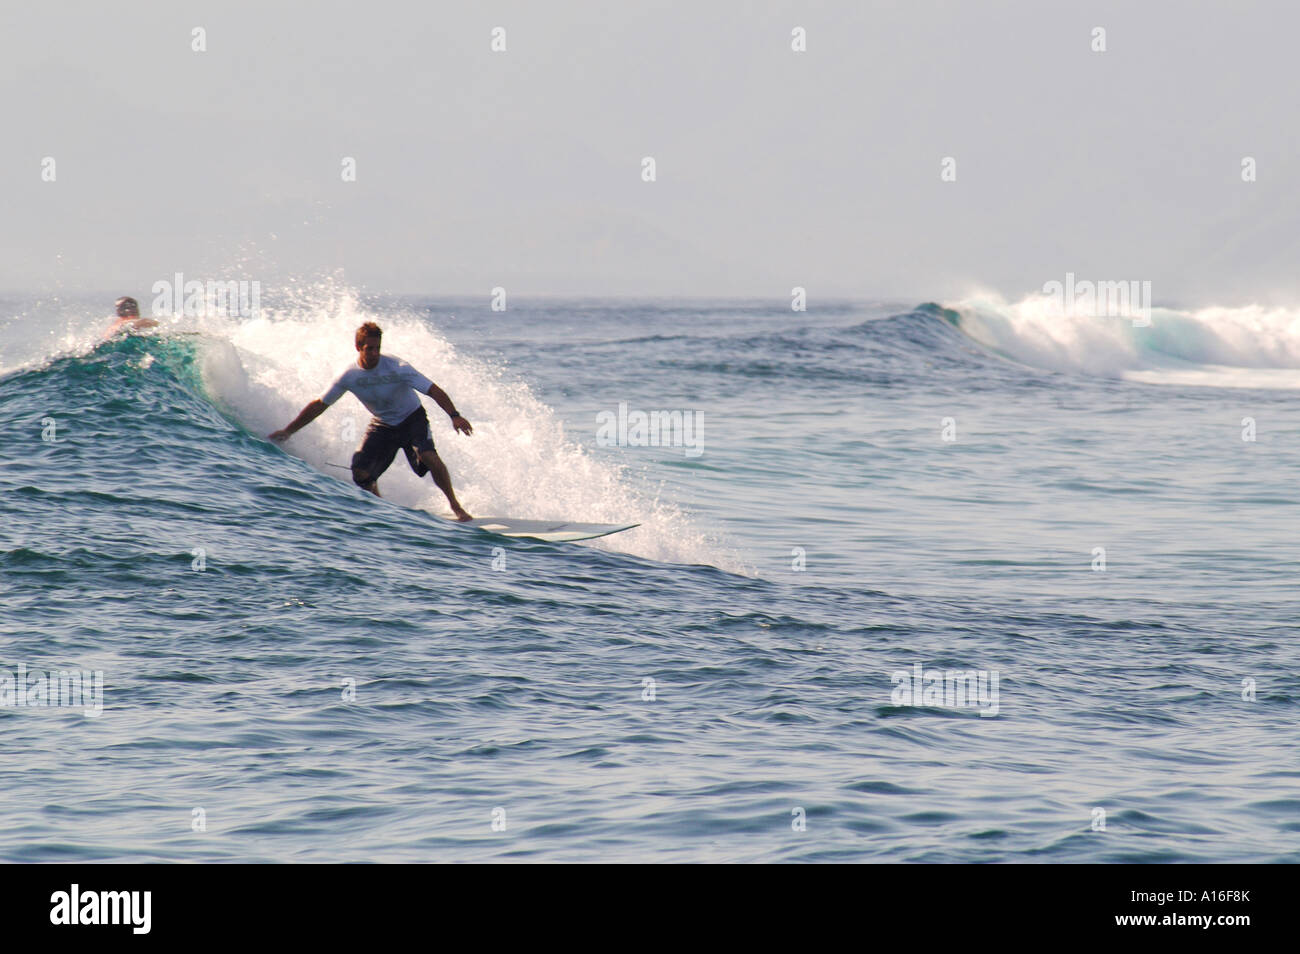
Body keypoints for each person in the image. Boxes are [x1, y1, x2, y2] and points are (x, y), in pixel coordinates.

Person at [269, 322, 474, 520]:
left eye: (378, 348)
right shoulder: (349, 375)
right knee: (360, 472)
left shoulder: (398, 367)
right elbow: (320, 405)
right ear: (358, 347)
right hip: (383, 424)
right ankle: (381, 508)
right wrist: (289, 431)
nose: (375, 353)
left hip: (412, 419)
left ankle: (455, 505)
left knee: (428, 455)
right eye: (369, 349)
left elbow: (433, 390)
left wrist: (454, 416)